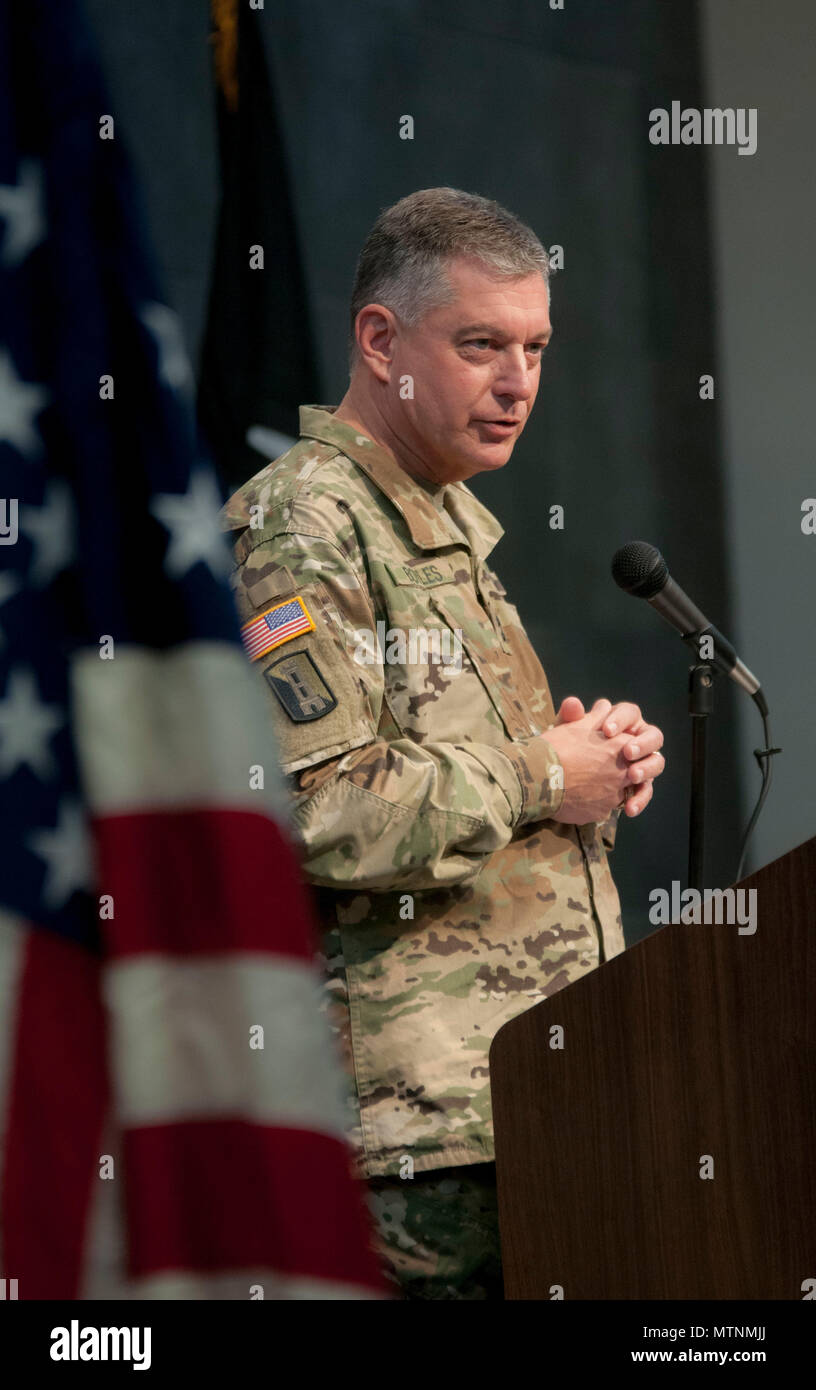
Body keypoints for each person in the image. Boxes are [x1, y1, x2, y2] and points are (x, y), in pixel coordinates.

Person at [219, 187, 666, 1299]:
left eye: (536, 348)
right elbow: (316, 805)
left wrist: (587, 770)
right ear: (381, 339)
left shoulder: (443, 517)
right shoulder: (303, 523)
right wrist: (536, 771)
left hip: (528, 1109)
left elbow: (463, 775)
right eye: (481, 345)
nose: (518, 383)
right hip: (416, 1138)